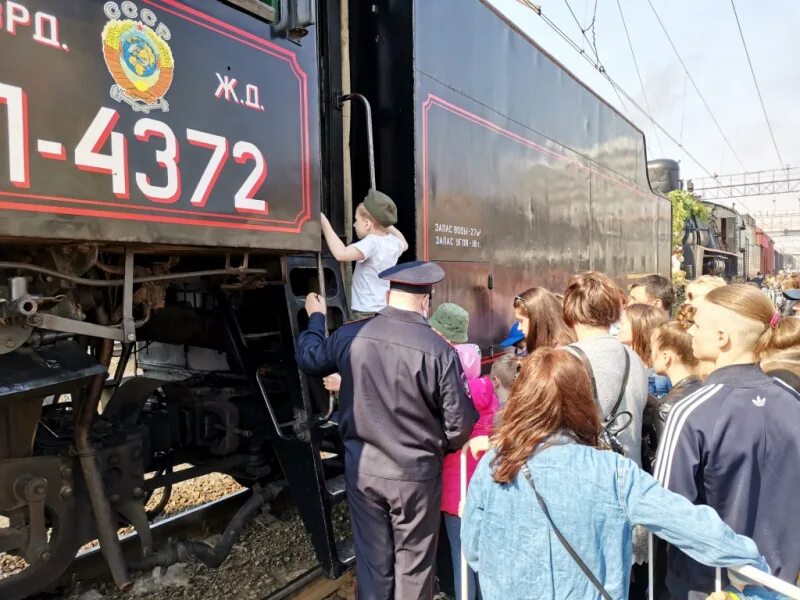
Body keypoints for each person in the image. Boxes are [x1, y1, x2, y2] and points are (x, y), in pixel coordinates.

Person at [461, 347, 768, 600]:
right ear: (583, 399)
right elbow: (690, 525)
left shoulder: (494, 465)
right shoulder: (612, 472)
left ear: (522, 400)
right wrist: (752, 559)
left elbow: (474, 552)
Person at [295, 261, 475, 600]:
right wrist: (433, 449)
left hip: (364, 470)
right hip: (416, 476)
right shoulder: (440, 351)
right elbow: (460, 425)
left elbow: (310, 358)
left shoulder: (352, 334)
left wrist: (316, 317)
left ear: (388, 295)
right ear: (426, 302)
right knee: (414, 566)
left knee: (373, 564)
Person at [655, 284, 800, 600]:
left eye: (698, 324)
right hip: (784, 586)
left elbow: (662, 510)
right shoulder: (793, 403)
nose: (691, 330)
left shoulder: (691, 411)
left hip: (710, 588)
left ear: (722, 337)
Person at [563, 271, 649, 465]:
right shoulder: (634, 358)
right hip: (630, 474)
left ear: (569, 310)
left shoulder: (563, 359)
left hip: (588, 477)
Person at [440, 346, 498, 600]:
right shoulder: (492, 396)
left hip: (457, 495)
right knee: (486, 559)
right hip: (488, 492)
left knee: (461, 559)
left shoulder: (452, 401)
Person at [320, 189, 407, 319]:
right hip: (383, 308)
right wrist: (384, 223)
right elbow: (404, 244)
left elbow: (341, 254)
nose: (354, 225)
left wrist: (323, 222)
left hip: (365, 310)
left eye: (356, 220)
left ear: (367, 224)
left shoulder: (371, 242)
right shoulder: (393, 242)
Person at [642, 321, 704, 472]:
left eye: (652, 350)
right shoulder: (707, 391)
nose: (650, 356)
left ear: (666, 357)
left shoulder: (667, 407)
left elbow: (668, 467)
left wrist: (643, 447)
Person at [513, 287, 575, 353]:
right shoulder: (546, 348)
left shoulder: (558, 354)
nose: (519, 328)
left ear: (536, 319)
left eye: (521, 321)